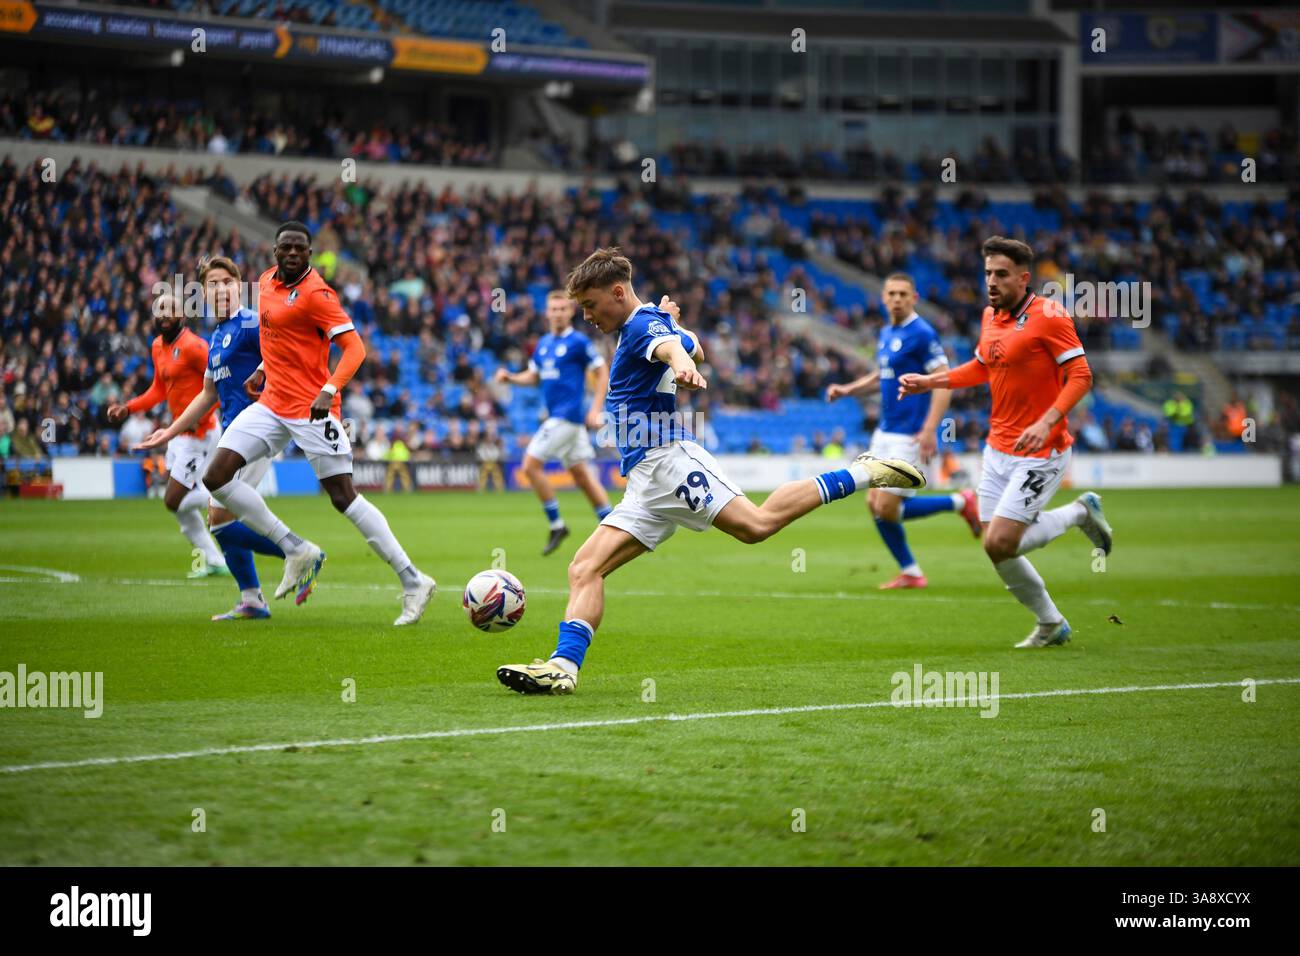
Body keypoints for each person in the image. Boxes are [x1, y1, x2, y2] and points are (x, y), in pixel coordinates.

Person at [496, 248, 924, 695]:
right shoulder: (646, 322)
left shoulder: (642, 326)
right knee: (585, 567)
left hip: (670, 462)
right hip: (644, 481)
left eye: (589, 304)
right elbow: (692, 346)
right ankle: (564, 667)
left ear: (617, 291)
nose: (586, 316)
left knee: (755, 526)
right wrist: (679, 335)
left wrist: (681, 363)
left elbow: (675, 352)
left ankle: (862, 473)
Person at [200, 221, 436, 625]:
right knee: (216, 476)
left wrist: (329, 390)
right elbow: (278, 337)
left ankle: (413, 581)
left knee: (344, 497)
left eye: (300, 249)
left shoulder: (318, 295)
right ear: (275, 252)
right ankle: (295, 548)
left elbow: (354, 349)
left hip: (312, 408)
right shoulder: (266, 282)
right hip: (271, 404)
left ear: (310, 254)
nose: (292, 254)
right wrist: (260, 369)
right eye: (285, 248)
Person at [899, 236, 1112, 648]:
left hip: (1041, 450)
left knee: (1001, 540)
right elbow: (981, 367)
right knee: (994, 546)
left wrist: (1048, 419)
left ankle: (1078, 513)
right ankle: (1051, 624)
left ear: (1023, 278)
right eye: (987, 274)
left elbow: (1082, 375)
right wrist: (932, 381)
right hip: (997, 448)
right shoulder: (989, 316)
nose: (991, 282)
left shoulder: (1050, 316)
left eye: (1001, 274)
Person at [135, 256, 287, 621]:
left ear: (239, 285)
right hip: (234, 434)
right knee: (221, 518)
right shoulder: (218, 336)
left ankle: (297, 552)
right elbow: (207, 395)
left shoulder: (252, 324)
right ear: (203, 293)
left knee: (219, 516)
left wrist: (267, 376)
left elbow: (287, 358)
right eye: (212, 285)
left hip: (257, 431)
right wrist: (169, 431)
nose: (219, 290)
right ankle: (253, 597)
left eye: (226, 282)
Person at [825, 273, 981, 589]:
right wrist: (847, 389)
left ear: (914, 298)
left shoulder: (922, 333)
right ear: (883, 298)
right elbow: (880, 374)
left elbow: (944, 379)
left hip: (909, 433)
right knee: (875, 504)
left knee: (886, 506)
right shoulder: (887, 332)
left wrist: (929, 429)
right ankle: (911, 571)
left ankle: (961, 502)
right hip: (884, 432)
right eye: (891, 293)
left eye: (902, 294)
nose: (896, 299)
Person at [107, 291, 228, 579]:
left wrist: (205, 416)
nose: (164, 315)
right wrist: (129, 407)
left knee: (173, 500)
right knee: (178, 507)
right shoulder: (157, 346)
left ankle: (226, 497)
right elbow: (159, 390)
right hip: (177, 433)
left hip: (201, 433)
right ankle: (215, 561)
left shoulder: (196, 347)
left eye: (170, 309)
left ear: (182, 315)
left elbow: (219, 384)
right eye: (159, 310)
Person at [495, 290, 612, 555]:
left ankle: (557, 524)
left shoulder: (579, 342)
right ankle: (614, 525)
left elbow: (601, 370)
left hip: (567, 417)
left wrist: (596, 408)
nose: (558, 313)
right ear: (547, 312)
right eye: (554, 309)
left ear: (571, 312)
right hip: (562, 420)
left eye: (562, 309)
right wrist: (511, 378)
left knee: (530, 464)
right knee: (582, 475)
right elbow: (534, 376)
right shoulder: (544, 344)